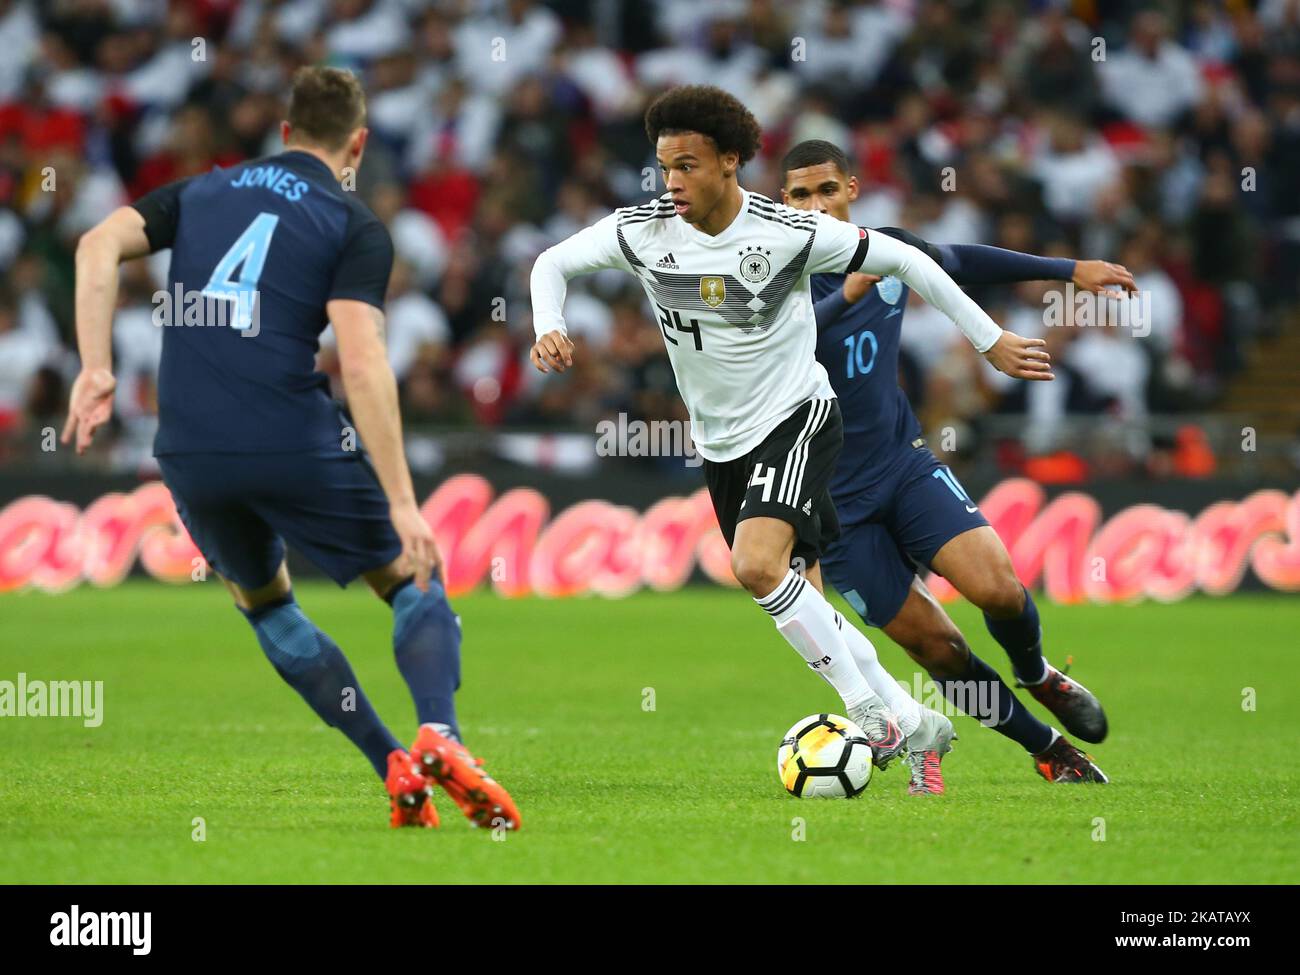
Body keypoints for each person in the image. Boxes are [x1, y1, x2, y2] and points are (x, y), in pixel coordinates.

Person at [529, 85, 1051, 791]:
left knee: (755, 565)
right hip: (721, 444)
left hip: (797, 417)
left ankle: (871, 710)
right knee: (784, 586)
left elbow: (908, 260)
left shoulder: (786, 231)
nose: (672, 182)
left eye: (687, 165)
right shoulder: (643, 230)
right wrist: (548, 324)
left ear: (731, 162)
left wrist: (991, 341)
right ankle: (913, 716)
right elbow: (550, 262)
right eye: (663, 165)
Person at [62, 66, 519, 831]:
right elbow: (365, 359)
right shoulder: (353, 221)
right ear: (358, 144)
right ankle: (440, 732)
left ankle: (390, 765)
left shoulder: (203, 191)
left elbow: (95, 242)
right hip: (289, 433)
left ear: (283, 134)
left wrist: (97, 367)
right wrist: (405, 502)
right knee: (412, 581)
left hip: (187, 448)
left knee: (267, 604)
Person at [781, 138, 1128, 789]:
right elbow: (787, 336)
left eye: (826, 189)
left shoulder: (887, 247)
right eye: (800, 194)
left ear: (851, 188)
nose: (816, 205)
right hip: (834, 507)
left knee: (997, 588)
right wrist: (852, 292)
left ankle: (1037, 672)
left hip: (901, 464)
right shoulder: (775, 276)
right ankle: (1048, 748)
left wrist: (1068, 267)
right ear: (783, 204)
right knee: (936, 648)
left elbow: (957, 262)